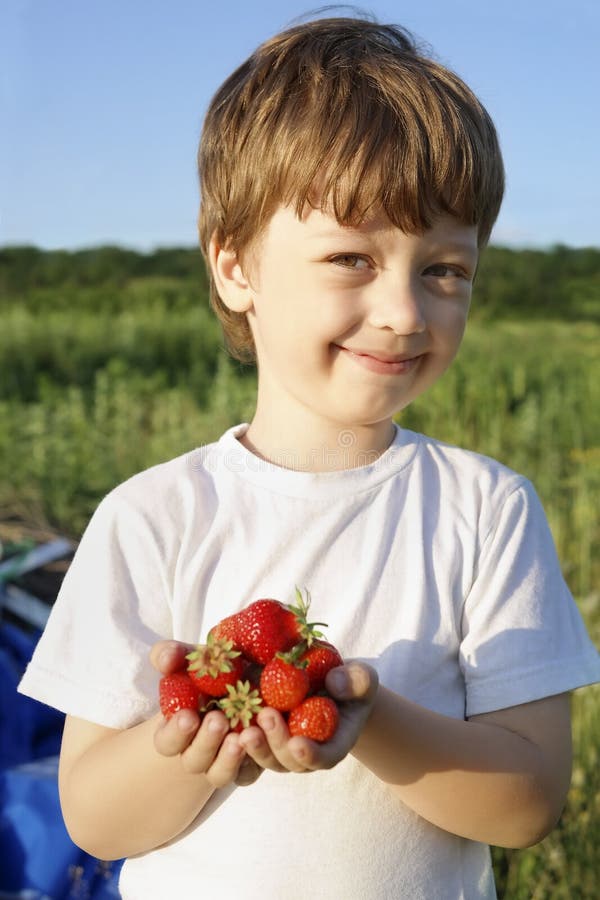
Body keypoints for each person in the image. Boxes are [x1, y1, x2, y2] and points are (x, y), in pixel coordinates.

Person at [18, 15, 600, 899]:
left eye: (446, 269)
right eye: (351, 258)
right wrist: (195, 744)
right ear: (234, 269)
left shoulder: (487, 509)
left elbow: (525, 801)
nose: (407, 311)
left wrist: (366, 716)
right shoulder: (151, 516)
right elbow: (93, 818)